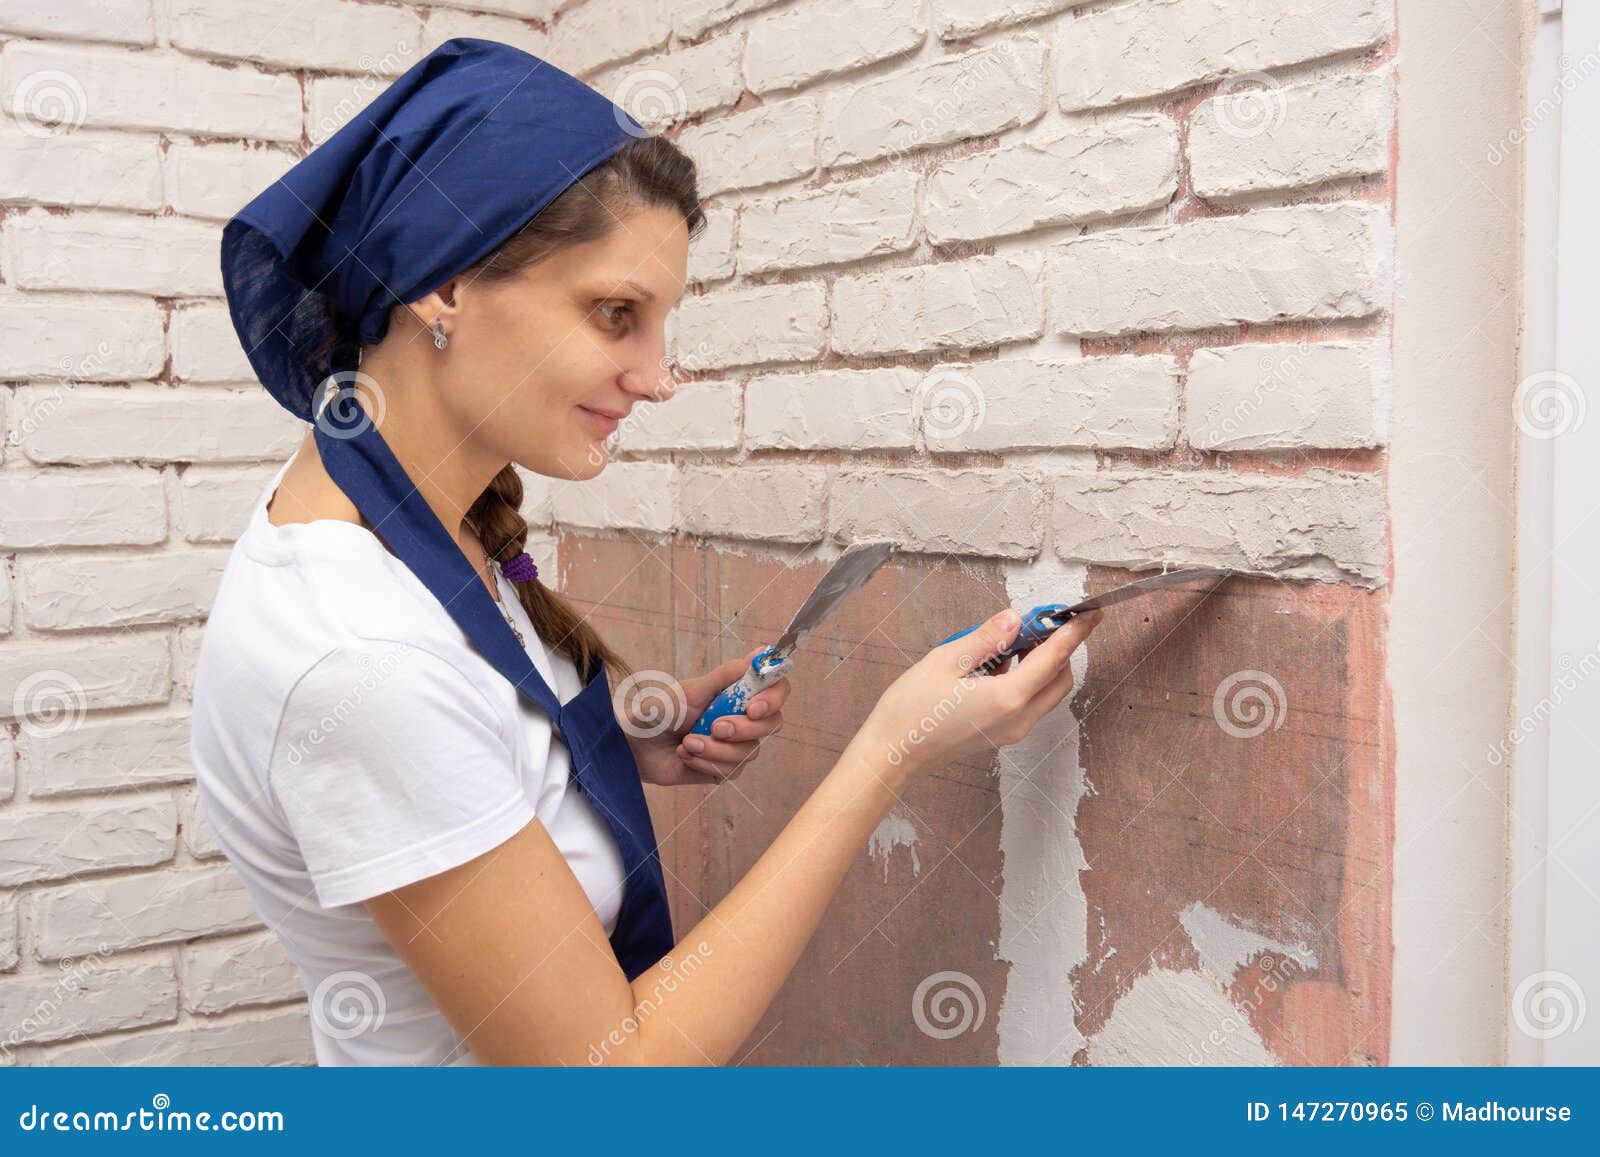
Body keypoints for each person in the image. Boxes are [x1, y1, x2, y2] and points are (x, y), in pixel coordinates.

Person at [191, 37, 1102, 1067]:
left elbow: (464, 736)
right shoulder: (356, 659)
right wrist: (893, 744)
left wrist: (608, 748)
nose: (658, 377)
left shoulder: (389, 526)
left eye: (661, 323)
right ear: (440, 284)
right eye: (614, 314)